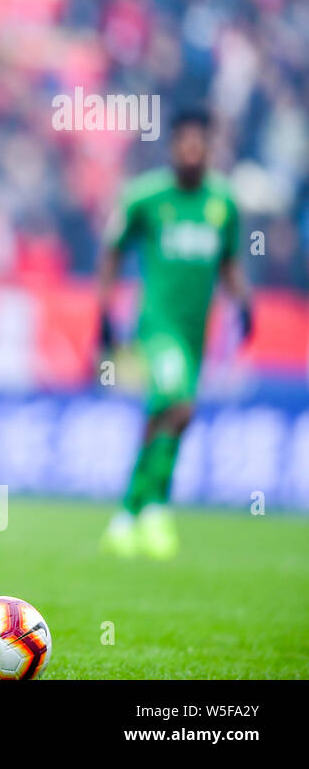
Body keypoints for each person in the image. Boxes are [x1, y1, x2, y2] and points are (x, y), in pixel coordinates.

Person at [97, 107, 252, 560]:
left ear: (209, 148)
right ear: (172, 148)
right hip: (158, 327)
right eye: (183, 143)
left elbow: (229, 263)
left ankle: (127, 515)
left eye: (199, 144)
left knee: (164, 414)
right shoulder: (146, 198)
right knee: (180, 407)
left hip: (196, 331)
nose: (191, 151)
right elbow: (111, 251)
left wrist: (244, 303)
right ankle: (157, 508)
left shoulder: (223, 204)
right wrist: (104, 311)